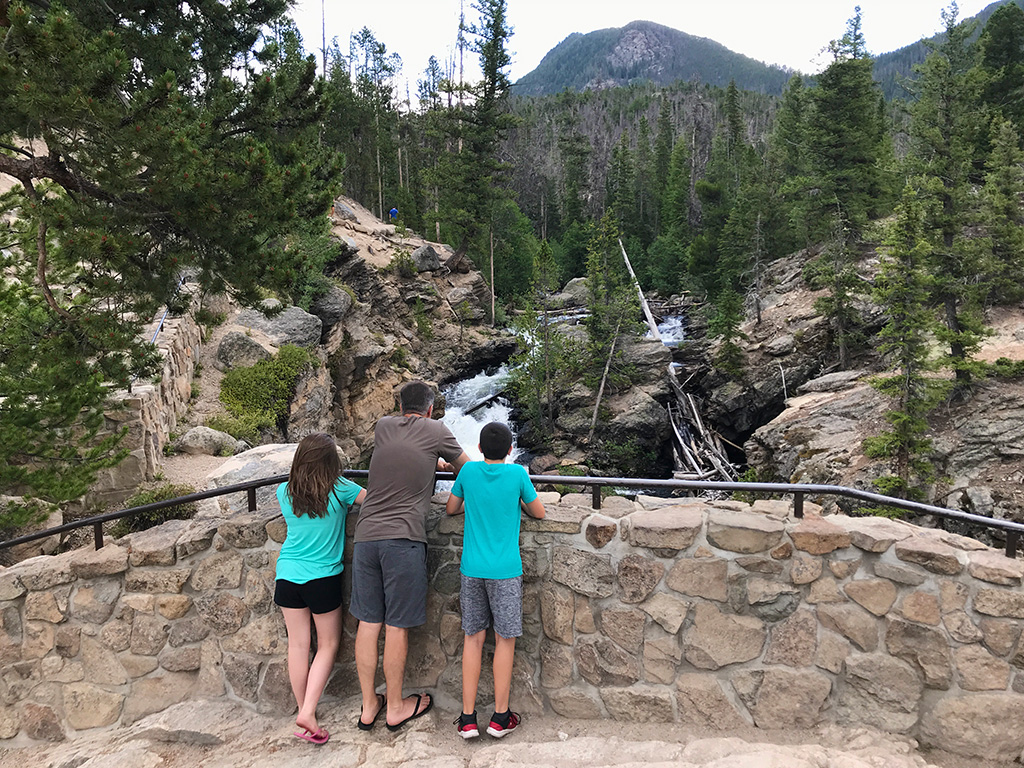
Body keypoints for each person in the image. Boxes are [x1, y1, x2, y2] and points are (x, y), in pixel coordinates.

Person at [351, 380, 470, 731]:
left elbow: (402, 456)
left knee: (368, 623)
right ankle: (396, 707)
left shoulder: (383, 426)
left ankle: (369, 705)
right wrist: (444, 466)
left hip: (366, 535)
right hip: (403, 539)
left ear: (400, 406)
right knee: (397, 626)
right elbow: (467, 468)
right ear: (431, 409)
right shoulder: (436, 430)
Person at [445, 422, 545, 740]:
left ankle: (468, 718)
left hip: (472, 568)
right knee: (504, 640)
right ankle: (501, 717)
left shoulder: (469, 473)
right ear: (510, 450)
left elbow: (450, 509)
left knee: (473, 639)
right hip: (505, 571)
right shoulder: (517, 475)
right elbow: (539, 513)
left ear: (478, 447)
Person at [274, 432, 366, 746]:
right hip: (322, 577)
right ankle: (309, 711)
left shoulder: (284, 491)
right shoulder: (342, 489)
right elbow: (377, 499)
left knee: (298, 646)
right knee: (327, 644)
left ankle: (304, 713)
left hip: (287, 575)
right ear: (332, 462)